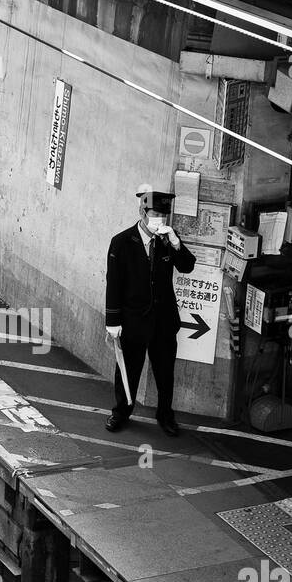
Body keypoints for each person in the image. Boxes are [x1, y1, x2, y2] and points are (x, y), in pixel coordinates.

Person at [104, 187, 196, 437]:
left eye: (164, 216)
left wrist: (176, 243)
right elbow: (114, 283)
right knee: (128, 370)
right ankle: (120, 412)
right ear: (142, 212)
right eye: (156, 214)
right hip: (133, 321)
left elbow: (187, 266)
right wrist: (113, 320)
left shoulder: (168, 240)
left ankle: (166, 415)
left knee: (165, 373)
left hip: (164, 321)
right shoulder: (121, 242)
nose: (161, 220)